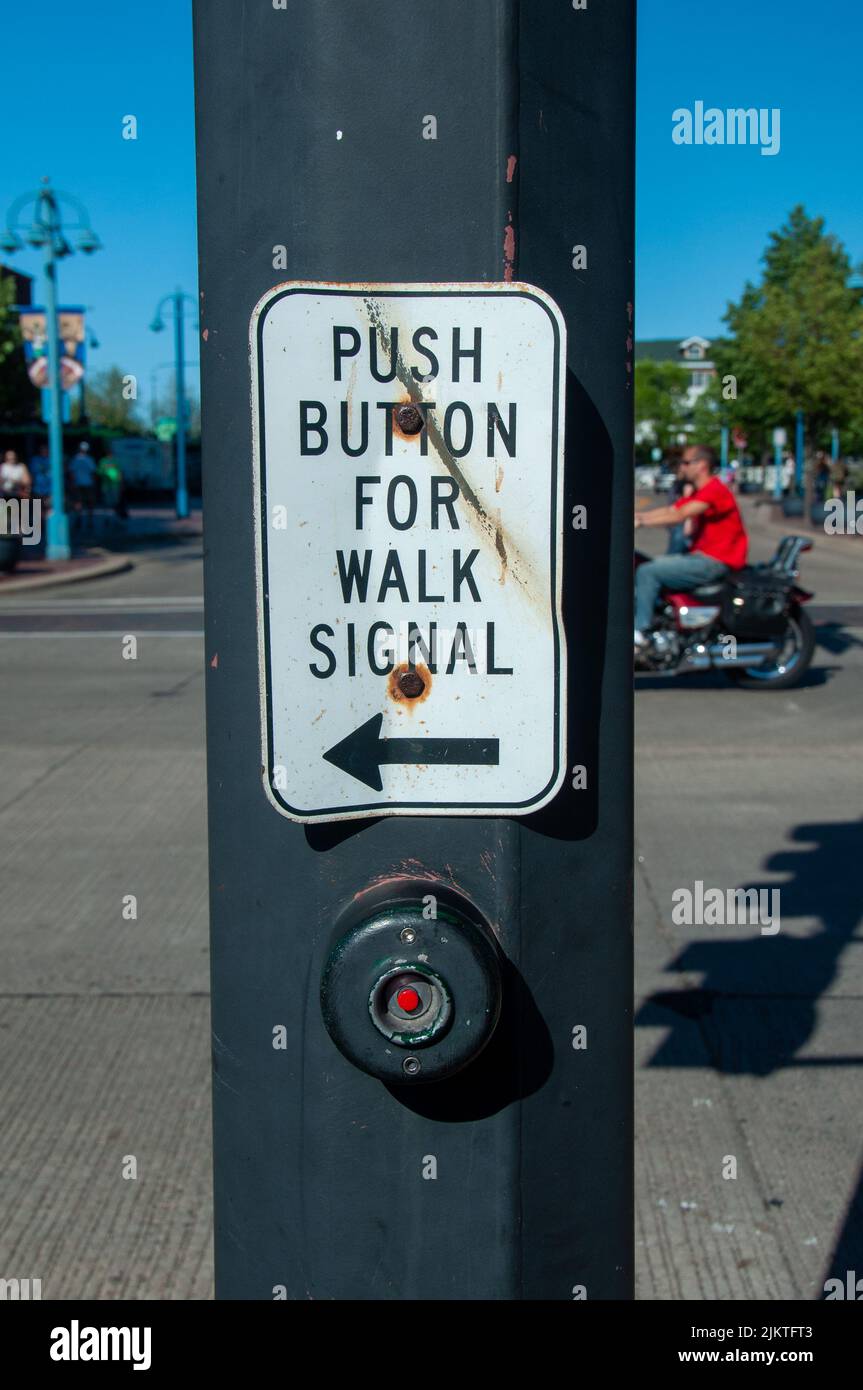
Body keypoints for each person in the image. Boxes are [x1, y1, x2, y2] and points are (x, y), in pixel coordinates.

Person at [633, 443, 748, 648]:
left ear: (701, 464)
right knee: (648, 563)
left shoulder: (714, 490)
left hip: (714, 561)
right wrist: (636, 516)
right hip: (702, 556)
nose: (682, 467)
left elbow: (679, 515)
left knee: (647, 572)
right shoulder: (701, 491)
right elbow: (671, 510)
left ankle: (640, 632)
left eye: (686, 462)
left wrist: (641, 522)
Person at [69, 441, 97, 530]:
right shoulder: (90, 459)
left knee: (78, 502)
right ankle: (90, 521)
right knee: (89, 503)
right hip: (88, 483)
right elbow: (93, 473)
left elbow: (72, 473)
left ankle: (79, 518)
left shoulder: (75, 459)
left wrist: (72, 483)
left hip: (78, 483)